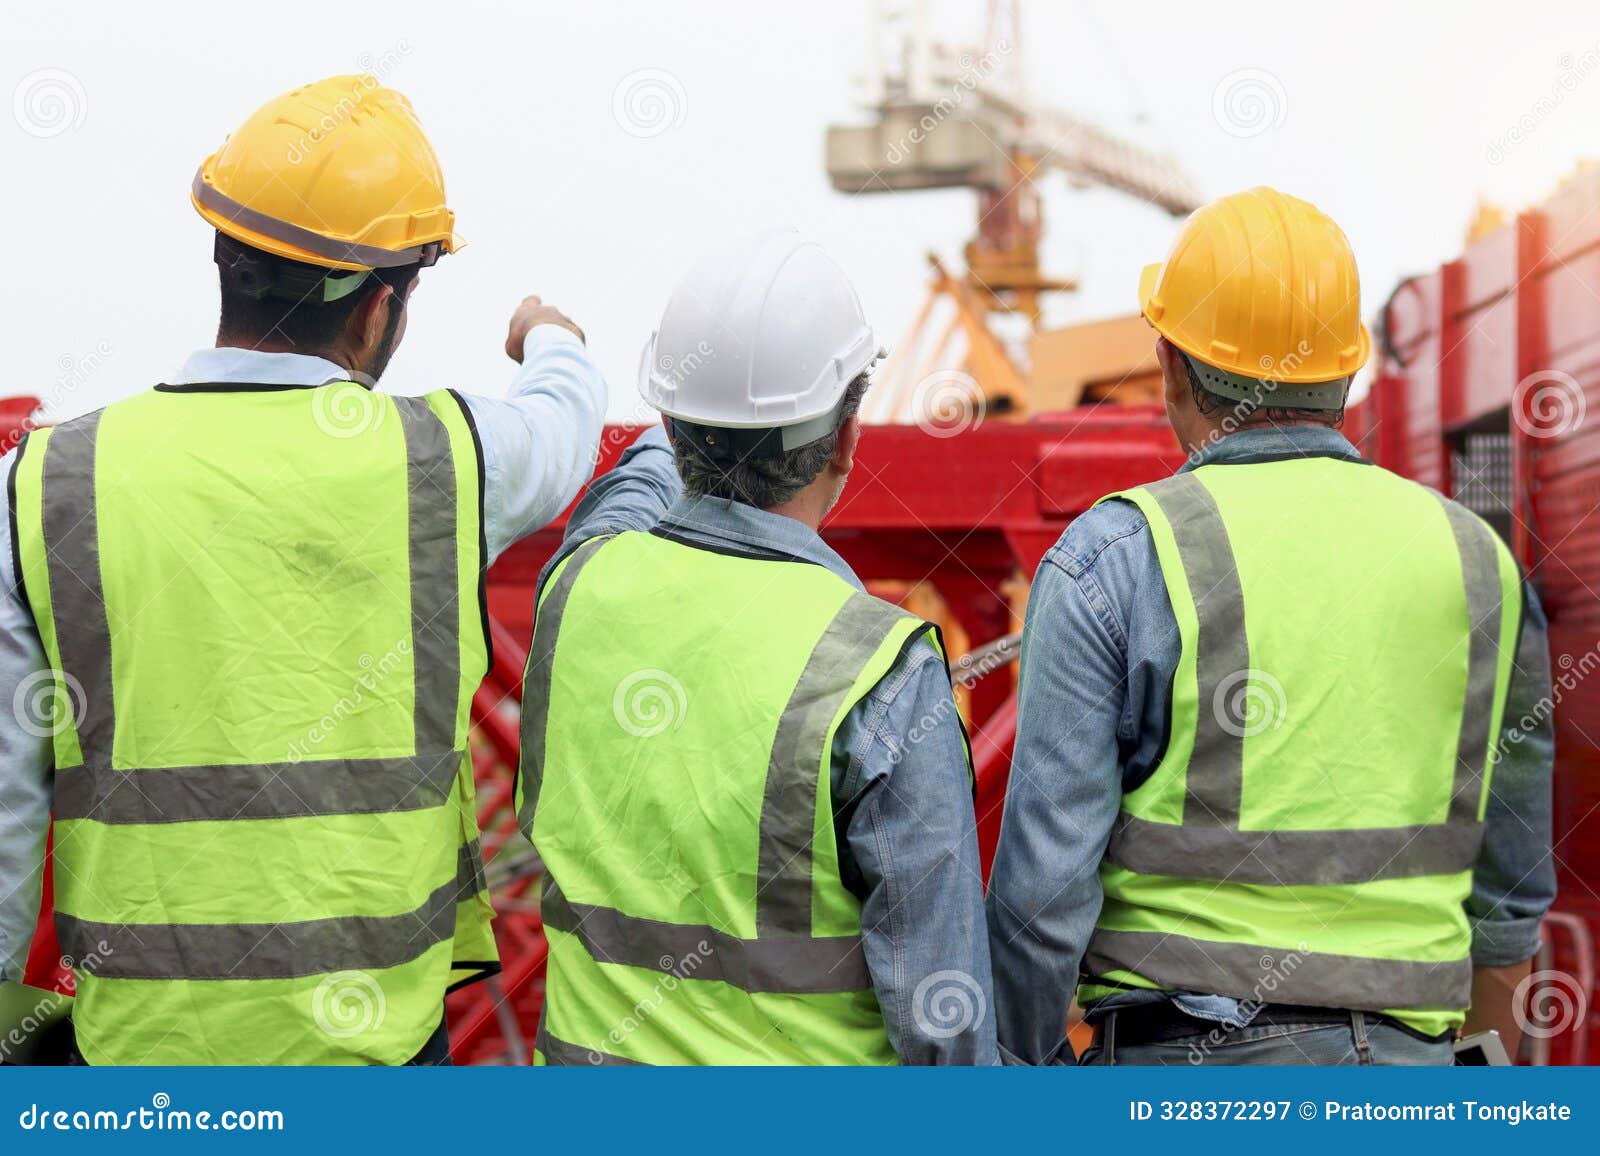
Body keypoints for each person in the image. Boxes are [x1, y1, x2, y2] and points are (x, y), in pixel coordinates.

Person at [0, 75, 607, 1065]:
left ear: (223, 259)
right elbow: (563, 424)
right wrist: (550, 336)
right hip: (374, 1058)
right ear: (380, 308)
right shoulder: (448, 460)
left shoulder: (43, 480)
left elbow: (6, 808)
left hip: (141, 1065)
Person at [986, 186, 1556, 1066]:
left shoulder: (1119, 556)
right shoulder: (1479, 562)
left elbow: (1040, 902)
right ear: (1351, 372)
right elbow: (1511, 898)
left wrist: (1023, 1077)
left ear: (1171, 367)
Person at [517, 229, 996, 1064]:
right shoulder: (878, 667)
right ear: (849, 439)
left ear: (668, 419)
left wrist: (559, 348)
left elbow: (629, 490)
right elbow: (942, 1023)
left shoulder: (575, 590)